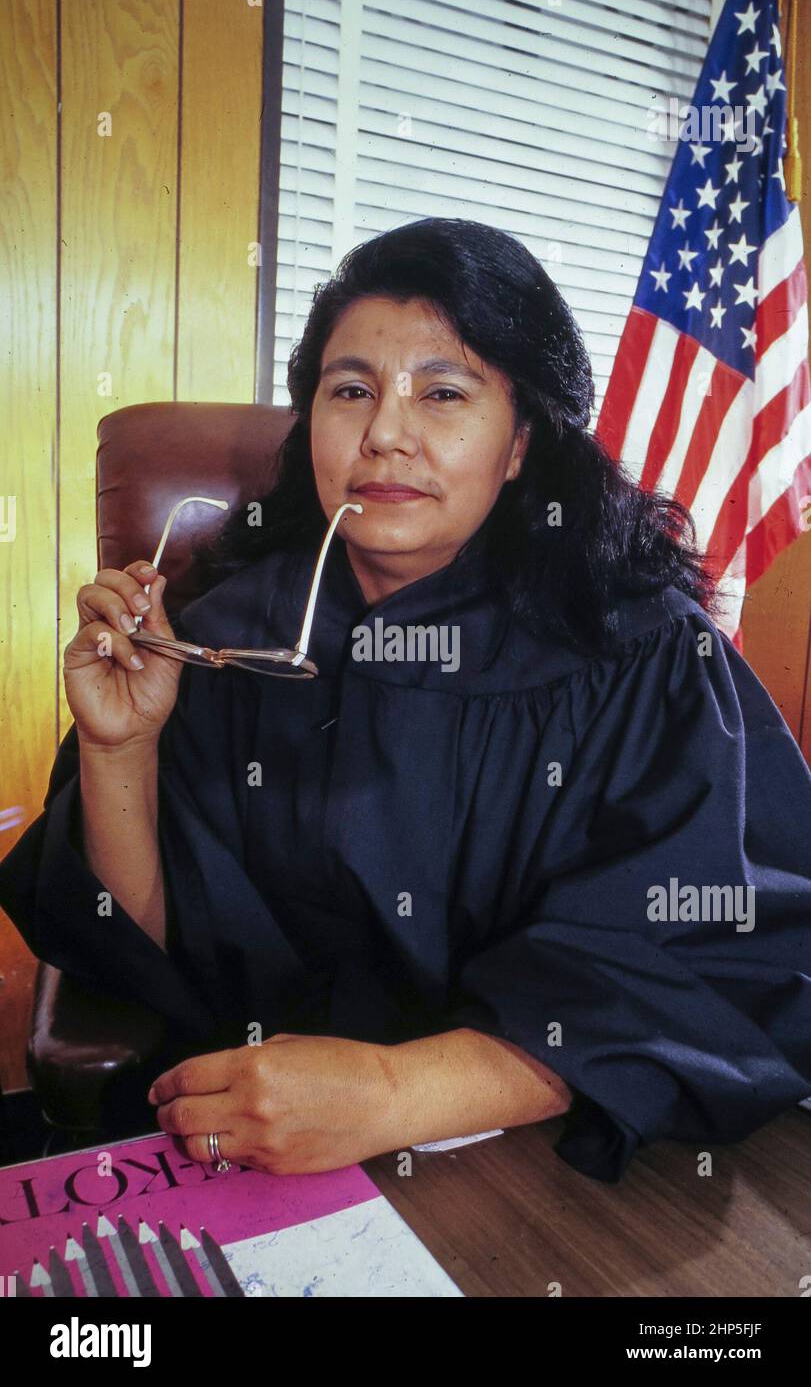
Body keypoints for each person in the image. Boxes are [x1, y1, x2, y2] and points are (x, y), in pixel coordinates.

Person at [1, 217, 810, 1185]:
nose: (385, 431)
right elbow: (139, 948)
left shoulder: (642, 657)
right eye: (352, 391)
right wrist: (118, 749)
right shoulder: (224, 637)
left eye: (442, 392)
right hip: (248, 1144)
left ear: (519, 443)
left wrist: (394, 1094)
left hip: (537, 1163)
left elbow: (706, 959)